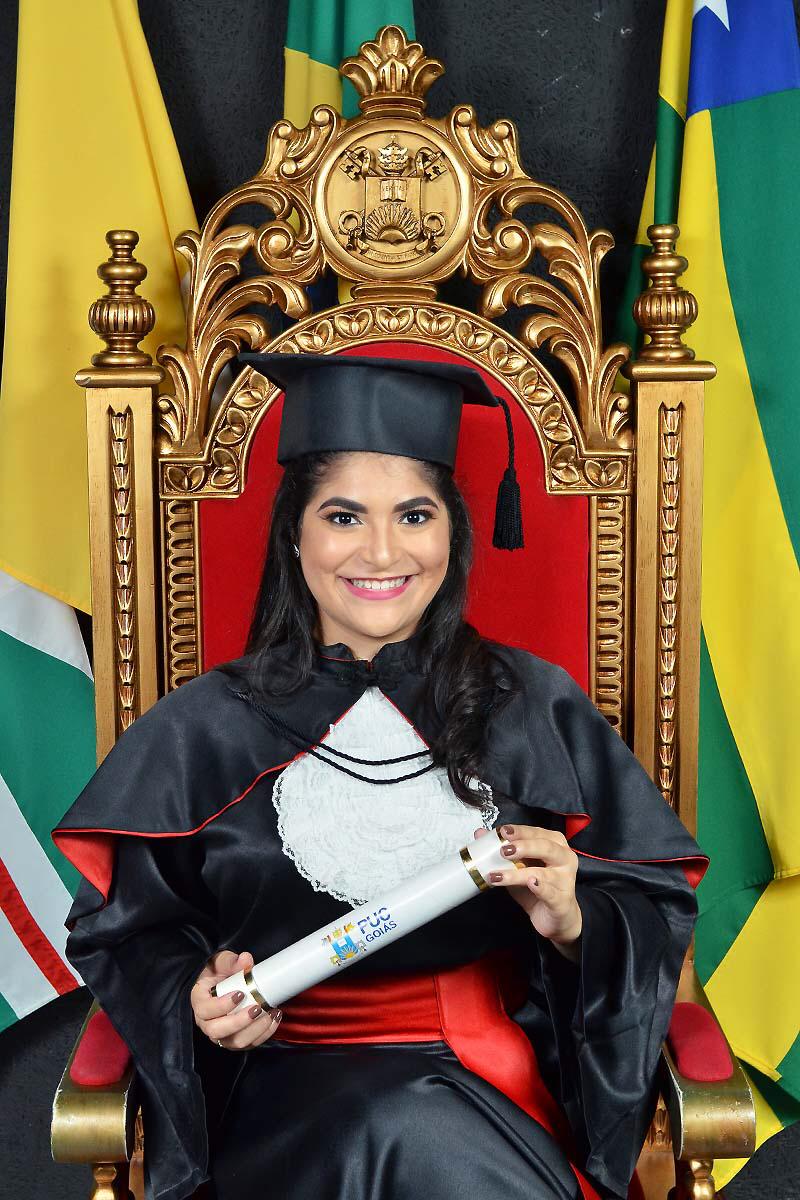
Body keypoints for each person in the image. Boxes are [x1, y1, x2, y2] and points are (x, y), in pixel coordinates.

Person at [54, 353, 707, 1200]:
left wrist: (576, 920)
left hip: (486, 1077)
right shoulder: (203, 726)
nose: (383, 551)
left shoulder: (534, 707)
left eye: (414, 515)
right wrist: (194, 995)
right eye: (343, 516)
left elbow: (653, 907)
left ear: (451, 533)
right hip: (273, 1094)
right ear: (295, 534)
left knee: (407, 1123)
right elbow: (132, 930)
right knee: (374, 1124)